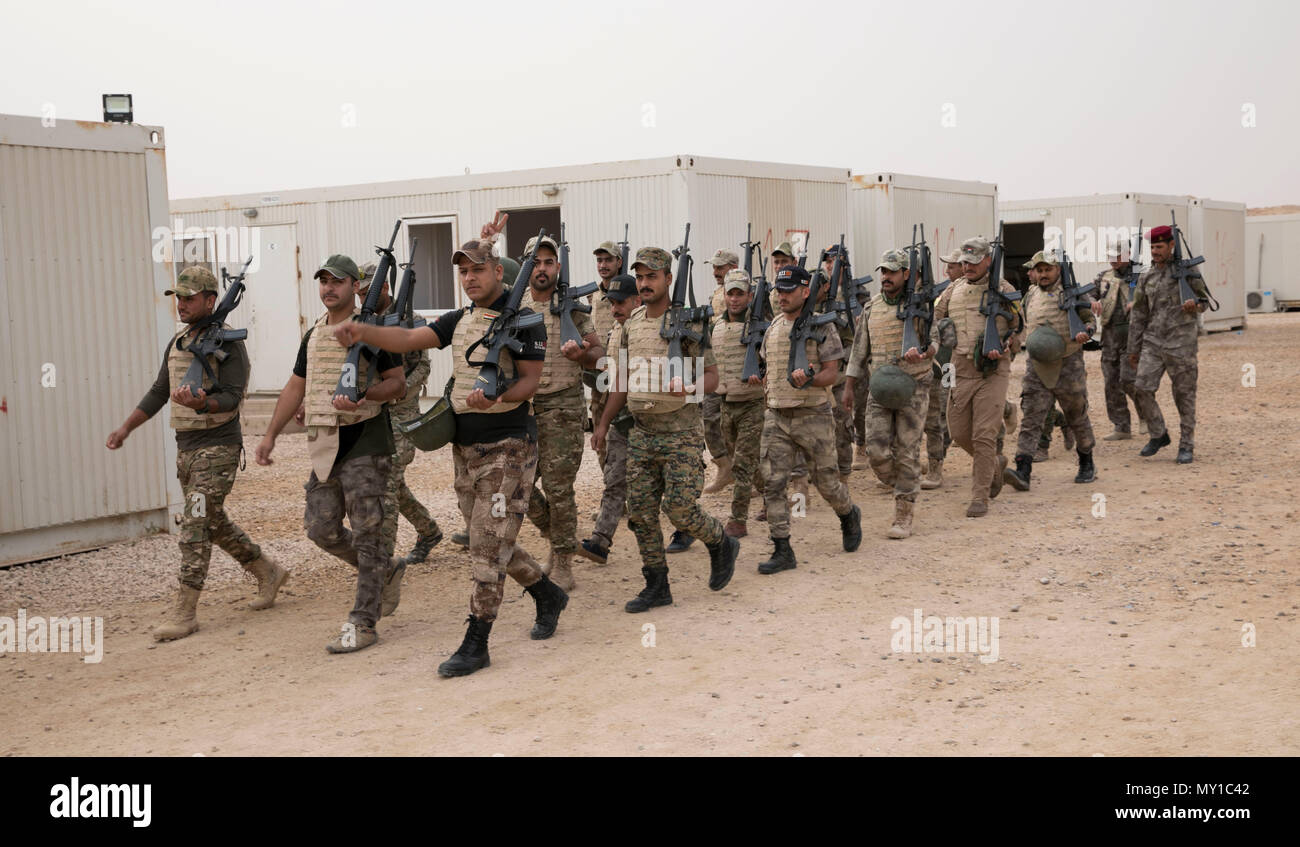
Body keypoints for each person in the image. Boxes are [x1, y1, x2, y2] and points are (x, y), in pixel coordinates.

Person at [331, 238, 570, 676]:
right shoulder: (460, 319)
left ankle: (476, 642)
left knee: (485, 545)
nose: (469, 278)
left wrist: (497, 394)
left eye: (477, 269)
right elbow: (406, 338)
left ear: (499, 272)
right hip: (465, 449)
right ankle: (546, 593)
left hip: (510, 449)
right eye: (463, 271)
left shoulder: (526, 321)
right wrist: (365, 331)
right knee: (493, 540)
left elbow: (530, 383)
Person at [107, 266, 286, 642]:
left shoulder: (230, 344)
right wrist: (126, 428)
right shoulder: (180, 342)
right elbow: (160, 391)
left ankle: (185, 612)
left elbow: (233, 398)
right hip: (185, 448)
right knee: (212, 522)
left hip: (218, 447)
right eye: (179, 298)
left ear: (210, 300)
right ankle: (267, 571)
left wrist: (204, 404)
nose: (182, 304)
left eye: (190, 298)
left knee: (194, 524)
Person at [256, 254, 406, 654]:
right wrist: (270, 434)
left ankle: (363, 621)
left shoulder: (374, 330)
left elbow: (398, 385)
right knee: (320, 528)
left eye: (337, 281)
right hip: (326, 444)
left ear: (355, 287)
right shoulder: (315, 336)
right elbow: (295, 386)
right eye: (323, 281)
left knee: (370, 533)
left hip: (367, 442)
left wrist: (363, 395)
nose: (328, 288)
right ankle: (385, 570)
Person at [592, 245, 740, 611]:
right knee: (641, 514)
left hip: (680, 435)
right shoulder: (630, 325)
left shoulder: (688, 324)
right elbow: (621, 381)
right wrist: (603, 424)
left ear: (668, 279)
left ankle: (721, 542)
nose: (644, 283)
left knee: (679, 509)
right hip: (642, 432)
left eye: (651, 277)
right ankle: (657, 584)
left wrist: (691, 385)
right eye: (639, 277)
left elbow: (713, 376)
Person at [751, 265, 862, 573]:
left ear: (805, 291)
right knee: (773, 484)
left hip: (813, 414)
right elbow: (766, 364)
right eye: (779, 291)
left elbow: (832, 372)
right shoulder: (773, 326)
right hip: (776, 416)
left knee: (827, 483)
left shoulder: (821, 326)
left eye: (788, 291)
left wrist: (810, 379)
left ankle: (848, 513)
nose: (782, 296)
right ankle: (782, 549)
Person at [353, 263, 442, 619]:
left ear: (386, 287)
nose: (364, 298)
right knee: (392, 483)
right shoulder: (364, 320)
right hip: (376, 411)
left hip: (403, 412)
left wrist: (405, 389)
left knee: (388, 479)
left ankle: (383, 565)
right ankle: (429, 530)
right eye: (359, 294)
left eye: (368, 292)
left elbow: (424, 366)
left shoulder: (411, 318)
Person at [522, 234, 604, 591]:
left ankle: (563, 562)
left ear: (558, 266)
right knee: (519, 490)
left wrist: (581, 355)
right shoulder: (516, 304)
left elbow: (600, 355)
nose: (542, 269)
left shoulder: (571, 305)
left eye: (549, 262)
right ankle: (559, 541)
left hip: (563, 407)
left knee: (558, 489)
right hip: (522, 409)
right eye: (536, 262)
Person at [843, 249, 936, 538]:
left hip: (913, 388)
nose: (885, 276)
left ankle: (903, 513)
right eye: (883, 271)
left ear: (906, 275)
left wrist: (923, 354)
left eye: (892, 272)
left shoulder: (921, 307)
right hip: (879, 389)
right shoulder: (871, 308)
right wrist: (848, 386)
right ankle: (905, 481)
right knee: (875, 452)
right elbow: (859, 351)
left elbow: (935, 343)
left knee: (907, 450)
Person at [932, 237, 1021, 518]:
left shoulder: (1005, 290)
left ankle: (979, 495)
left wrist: (1009, 344)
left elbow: (1020, 329)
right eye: (964, 263)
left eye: (972, 263)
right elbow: (933, 317)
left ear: (987, 261)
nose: (966, 267)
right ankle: (995, 464)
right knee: (958, 432)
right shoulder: (953, 289)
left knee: (984, 435)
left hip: (993, 371)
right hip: (960, 366)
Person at [1003, 251, 1098, 490]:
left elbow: (1089, 319)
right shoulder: (1031, 293)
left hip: (1068, 362)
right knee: (1032, 417)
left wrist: (1086, 329)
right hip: (1037, 366)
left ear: (1058, 270)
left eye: (1049, 270)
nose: (1044, 274)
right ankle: (1023, 470)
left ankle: (1087, 461)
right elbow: (1021, 322)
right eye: (1040, 270)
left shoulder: (1073, 293)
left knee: (1077, 415)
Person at [1127, 224, 1211, 464]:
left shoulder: (1188, 271)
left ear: (1171, 245)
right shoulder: (1147, 276)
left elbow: (1205, 300)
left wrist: (1194, 305)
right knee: (1141, 388)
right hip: (1153, 343)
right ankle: (1159, 433)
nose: (1155, 251)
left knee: (1184, 396)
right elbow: (1139, 314)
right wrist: (1133, 349)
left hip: (1181, 344)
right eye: (1152, 246)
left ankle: (1187, 445)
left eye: (1159, 246)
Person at [579, 273, 640, 564]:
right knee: (614, 481)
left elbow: (626, 380)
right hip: (622, 417)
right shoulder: (616, 330)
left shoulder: (643, 330)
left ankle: (684, 529)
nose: (615, 308)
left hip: (646, 419)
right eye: (612, 303)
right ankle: (600, 542)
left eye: (621, 302)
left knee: (660, 483)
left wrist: (602, 423)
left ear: (636, 301)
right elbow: (611, 374)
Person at [710, 269, 767, 538]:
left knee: (743, 463)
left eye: (740, 294)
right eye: (730, 293)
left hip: (752, 403)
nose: (734, 299)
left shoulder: (760, 327)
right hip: (725, 402)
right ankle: (771, 495)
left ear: (750, 296)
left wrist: (763, 373)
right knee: (742, 460)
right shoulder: (717, 327)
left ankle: (738, 519)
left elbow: (774, 359)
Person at [696, 247, 740, 499]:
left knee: (741, 425)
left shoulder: (748, 295)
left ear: (733, 268)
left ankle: (750, 476)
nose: (715, 272)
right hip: (717, 368)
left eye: (720, 267)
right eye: (714, 267)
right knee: (710, 418)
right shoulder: (716, 294)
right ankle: (725, 468)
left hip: (741, 371)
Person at [1091, 240, 1141, 440]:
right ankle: (1121, 426)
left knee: (1129, 379)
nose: (1113, 260)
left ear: (1129, 255)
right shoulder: (1104, 277)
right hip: (1110, 336)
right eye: (1111, 255)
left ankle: (1147, 414)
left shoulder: (1142, 275)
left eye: (1118, 256)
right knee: (1111, 382)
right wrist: (1092, 301)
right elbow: (1087, 293)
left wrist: (1136, 301)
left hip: (1133, 335)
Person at [921, 250, 963, 489]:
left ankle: (1003, 416)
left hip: (958, 361)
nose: (948, 271)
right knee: (938, 411)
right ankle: (937, 460)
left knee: (957, 406)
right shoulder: (945, 291)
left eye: (952, 266)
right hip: (942, 361)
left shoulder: (971, 291)